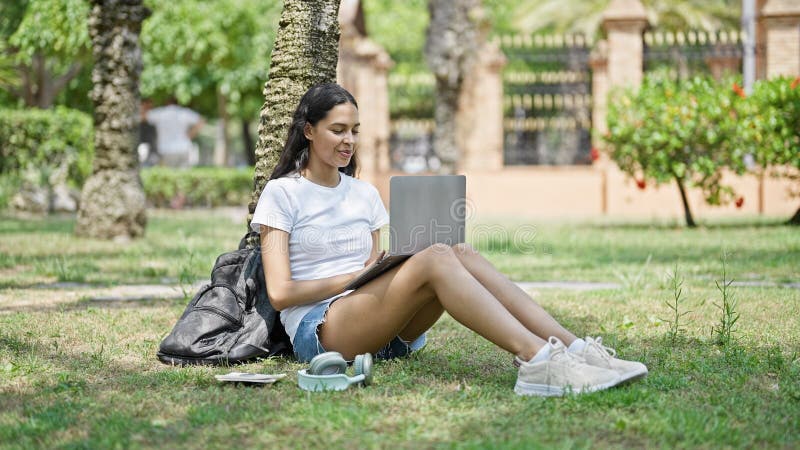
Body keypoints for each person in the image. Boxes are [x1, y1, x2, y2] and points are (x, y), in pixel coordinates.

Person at [251, 83, 648, 397]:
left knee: (456, 250)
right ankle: (537, 359)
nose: (348, 141)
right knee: (437, 255)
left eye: (354, 131)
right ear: (308, 130)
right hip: (321, 332)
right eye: (337, 130)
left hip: (381, 330)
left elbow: (370, 273)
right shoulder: (282, 194)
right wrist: (359, 275)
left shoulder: (364, 194)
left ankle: (577, 350)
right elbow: (282, 293)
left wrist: (383, 269)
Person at [145, 99, 205, 168]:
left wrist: (148, 106)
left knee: (168, 175)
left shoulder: (160, 112)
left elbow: (143, 116)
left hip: (166, 149)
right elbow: (201, 121)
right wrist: (190, 134)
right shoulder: (184, 112)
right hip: (184, 147)